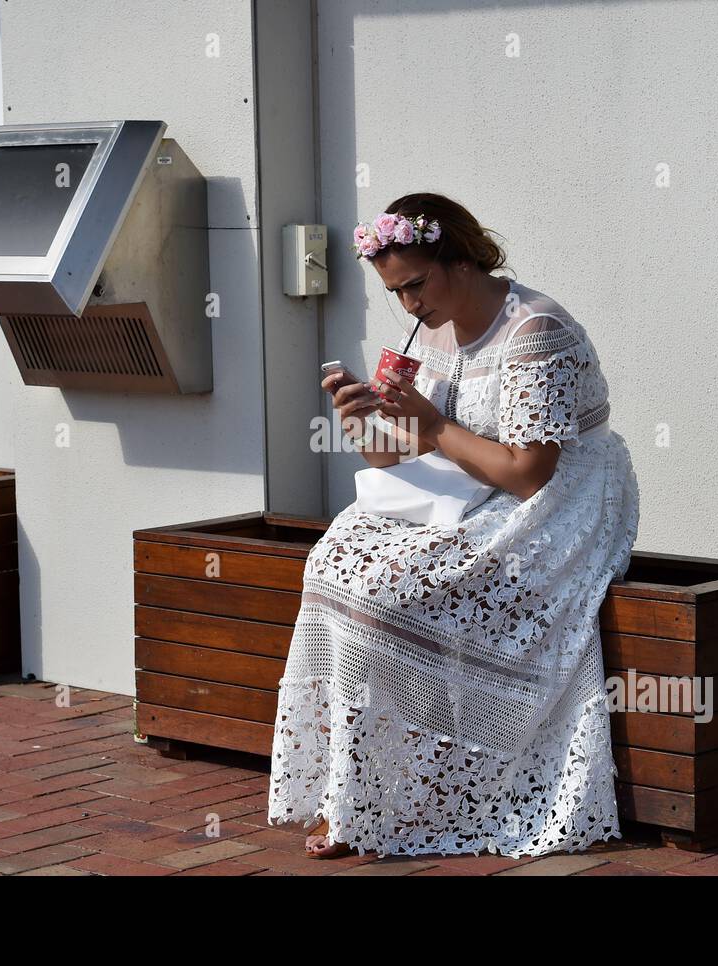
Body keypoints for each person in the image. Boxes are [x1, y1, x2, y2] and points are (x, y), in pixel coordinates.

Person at [266, 192, 640, 860]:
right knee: (332, 563)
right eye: (395, 292)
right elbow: (416, 452)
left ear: (460, 258)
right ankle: (355, 790)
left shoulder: (536, 331)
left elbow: (530, 471)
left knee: (386, 592)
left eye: (416, 284)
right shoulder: (432, 334)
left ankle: (425, 784)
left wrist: (434, 425)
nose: (408, 305)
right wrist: (363, 425)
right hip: (466, 487)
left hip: (561, 499)